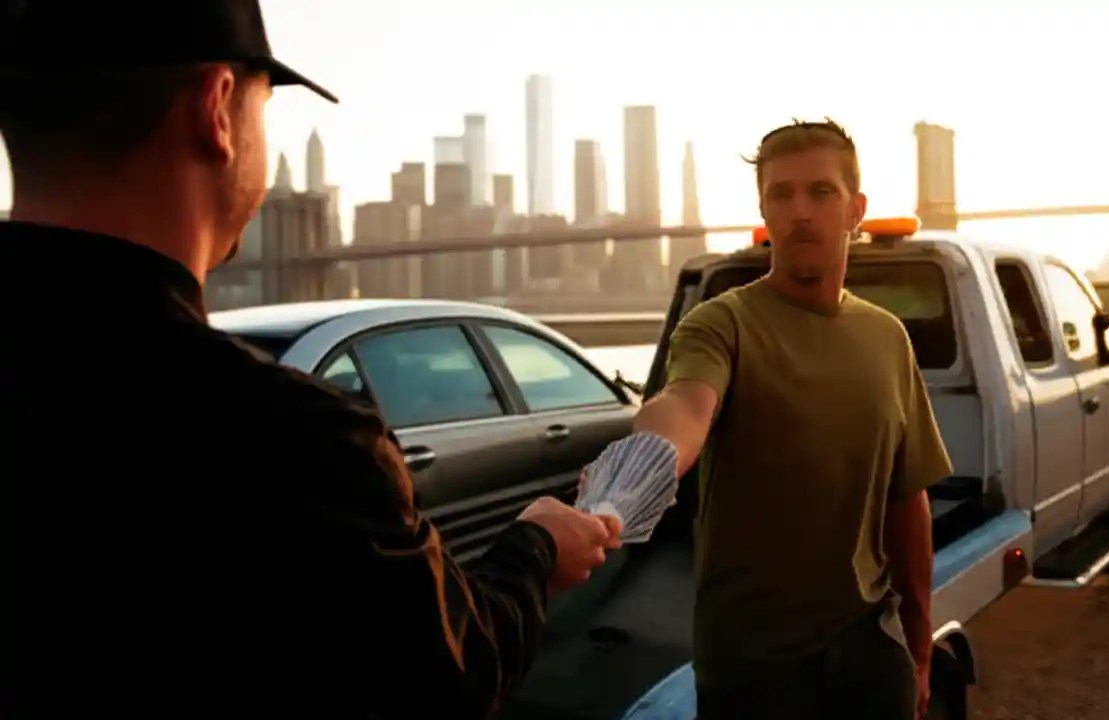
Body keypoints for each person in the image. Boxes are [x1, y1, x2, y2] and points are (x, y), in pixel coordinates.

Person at [0, 2, 621, 718]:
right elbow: (449, 679)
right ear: (220, 108)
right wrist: (536, 549)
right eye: (268, 103)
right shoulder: (289, 442)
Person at [601, 119, 953, 718]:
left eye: (821, 192)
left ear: (855, 210)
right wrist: (632, 477)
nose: (800, 211)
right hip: (755, 670)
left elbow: (906, 499)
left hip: (869, 653)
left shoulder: (887, 338)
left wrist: (918, 651)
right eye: (781, 194)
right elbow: (686, 403)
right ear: (763, 210)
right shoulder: (721, 324)